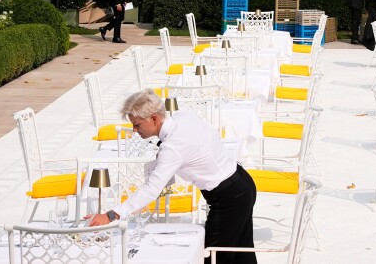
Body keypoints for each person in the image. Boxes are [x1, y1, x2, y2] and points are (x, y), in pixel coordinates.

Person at [86, 91, 257, 262]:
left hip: (229, 198)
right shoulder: (184, 116)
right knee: (242, 253)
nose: (134, 130)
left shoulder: (172, 147)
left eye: (137, 125)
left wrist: (110, 215)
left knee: (213, 257)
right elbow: (212, 136)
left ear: (154, 119)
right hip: (242, 183)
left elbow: (150, 190)